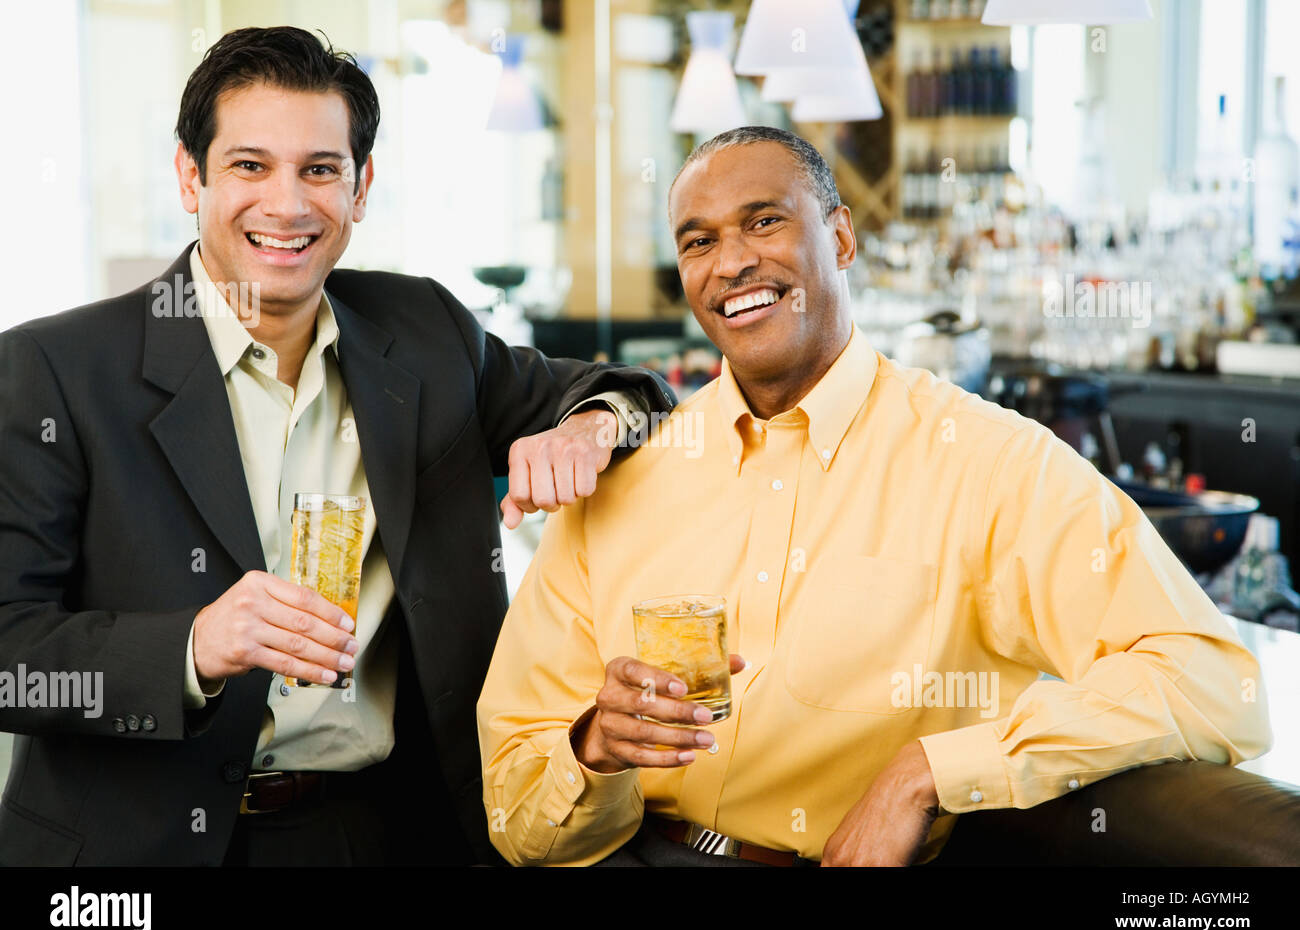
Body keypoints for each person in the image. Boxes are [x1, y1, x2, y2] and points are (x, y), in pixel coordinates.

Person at [476, 126, 1272, 867]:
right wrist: (593, 750)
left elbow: (1212, 682)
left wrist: (932, 770)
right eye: (699, 241)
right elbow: (513, 811)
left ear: (842, 237)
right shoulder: (624, 482)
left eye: (763, 222)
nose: (731, 263)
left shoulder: (989, 463)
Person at [0, 26, 674, 866]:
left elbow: (641, 395)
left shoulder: (425, 333)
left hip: (377, 833)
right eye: (250, 166)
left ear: (360, 189)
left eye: (320, 169)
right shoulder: (54, 369)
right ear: (189, 175)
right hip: (132, 849)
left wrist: (592, 423)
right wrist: (193, 646)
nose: (287, 205)